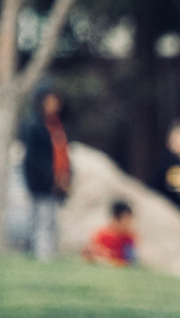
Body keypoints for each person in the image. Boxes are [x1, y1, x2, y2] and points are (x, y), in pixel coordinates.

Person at [22, 88, 71, 261]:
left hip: (57, 183)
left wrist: (65, 178)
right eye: (49, 102)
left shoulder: (59, 127)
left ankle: (46, 255)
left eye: (56, 102)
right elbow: (33, 160)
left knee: (51, 221)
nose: (53, 106)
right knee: (41, 220)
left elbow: (63, 155)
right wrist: (48, 178)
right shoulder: (35, 127)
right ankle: (42, 258)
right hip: (42, 184)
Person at [82, 200, 137, 266]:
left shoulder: (129, 237)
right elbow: (89, 255)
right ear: (116, 218)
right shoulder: (101, 235)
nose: (129, 223)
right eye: (126, 219)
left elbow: (131, 260)